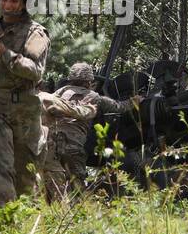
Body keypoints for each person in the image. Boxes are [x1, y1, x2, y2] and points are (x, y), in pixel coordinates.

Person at [0, 0, 50, 204]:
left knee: (25, 172)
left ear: (24, 4)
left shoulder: (35, 33)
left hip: (24, 110)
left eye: (14, 1)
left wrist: (4, 52)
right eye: (5, 0)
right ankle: (4, 219)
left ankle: (28, 222)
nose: (8, 6)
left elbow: (34, 71)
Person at [41, 61, 142, 199]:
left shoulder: (59, 93)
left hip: (51, 144)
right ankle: (77, 215)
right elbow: (118, 107)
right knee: (77, 185)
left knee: (53, 182)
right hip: (73, 146)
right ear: (88, 81)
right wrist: (135, 101)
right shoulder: (94, 97)